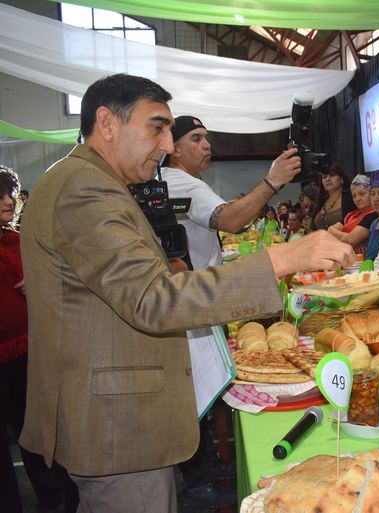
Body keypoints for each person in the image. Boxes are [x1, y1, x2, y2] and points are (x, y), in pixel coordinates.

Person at [19, 73, 355, 513]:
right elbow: (153, 299)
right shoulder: (86, 188)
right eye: (156, 127)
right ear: (107, 123)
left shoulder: (91, 181)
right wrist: (281, 260)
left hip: (108, 416)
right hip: (115, 427)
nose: (167, 145)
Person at [1, 167, 78, 513]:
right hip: (7, 356)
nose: (7, 201)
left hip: (34, 350)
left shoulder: (22, 240)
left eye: (10, 194)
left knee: (41, 434)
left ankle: (57, 501)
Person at [163, 115, 300, 271]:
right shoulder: (184, 183)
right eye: (196, 139)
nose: (207, 145)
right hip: (200, 285)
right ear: (174, 148)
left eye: (205, 138)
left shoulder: (172, 179)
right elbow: (230, 220)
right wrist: (273, 181)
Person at [327, 173, 376, 255]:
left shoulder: (373, 214)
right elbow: (330, 231)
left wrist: (334, 233)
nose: (358, 199)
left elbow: (351, 241)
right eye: (354, 196)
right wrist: (345, 237)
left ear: (371, 193)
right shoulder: (350, 215)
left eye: (362, 194)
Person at [312, 163, 354, 231]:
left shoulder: (350, 197)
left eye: (332, 175)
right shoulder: (320, 201)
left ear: (341, 179)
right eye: (324, 177)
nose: (328, 179)